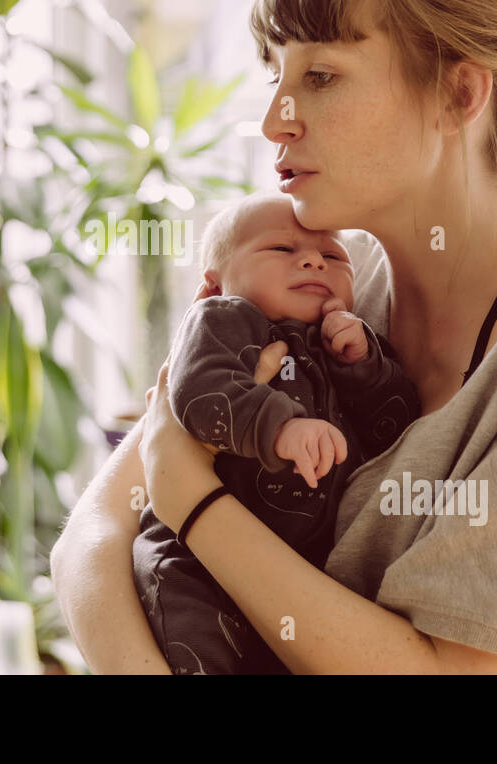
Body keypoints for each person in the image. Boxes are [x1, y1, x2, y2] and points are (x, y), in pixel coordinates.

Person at [50, 0, 497, 674]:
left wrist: (191, 502)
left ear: (458, 94)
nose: (275, 122)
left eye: (319, 77)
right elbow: (88, 541)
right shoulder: (332, 276)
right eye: (277, 77)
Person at [132, 193, 420, 674]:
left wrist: (364, 368)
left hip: (296, 567)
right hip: (194, 562)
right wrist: (279, 426)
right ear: (213, 284)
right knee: (203, 652)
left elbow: (398, 420)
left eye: (332, 257)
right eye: (281, 250)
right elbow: (199, 393)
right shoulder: (225, 320)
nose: (312, 259)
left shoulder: (346, 336)